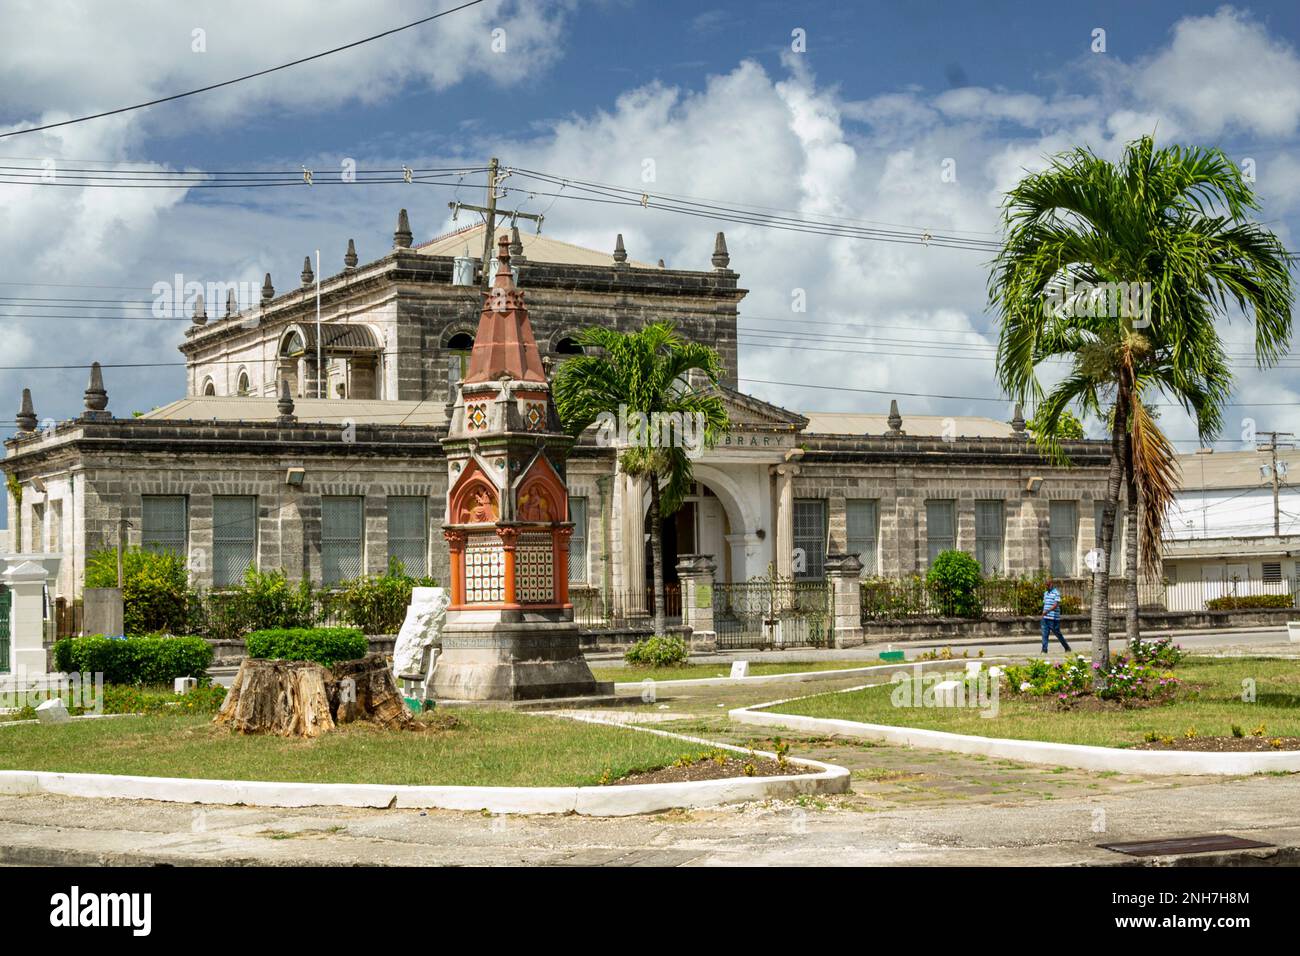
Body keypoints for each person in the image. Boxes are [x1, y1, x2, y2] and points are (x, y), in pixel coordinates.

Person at [1040, 578, 1072, 654]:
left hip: (1053, 618)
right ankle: (1044, 650)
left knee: (1058, 634)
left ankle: (1067, 647)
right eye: (1046, 585)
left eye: (1048, 585)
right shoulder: (1045, 593)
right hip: (1045, 618)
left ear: (1051, 584)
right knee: (1045, 634)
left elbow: (1056, 605)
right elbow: (1045, 604)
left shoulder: (1056, 593)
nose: (1047, 587)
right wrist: (1043, 613)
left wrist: (1047, 611)